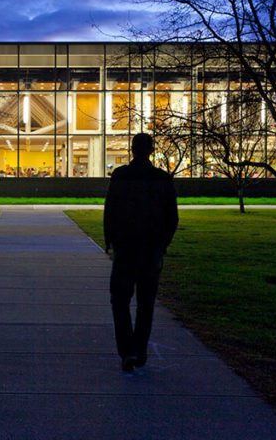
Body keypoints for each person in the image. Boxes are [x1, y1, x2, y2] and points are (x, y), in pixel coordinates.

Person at [103, 133, 178, 372]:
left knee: (120, 300)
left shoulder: (121, 176)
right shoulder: (162, 179)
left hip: (126, 248)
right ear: (151, 150)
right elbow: (172, 217)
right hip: (151, 249)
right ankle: (140, 349)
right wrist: (163, 244)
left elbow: (110, 210)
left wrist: (110, 240)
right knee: (146, 303)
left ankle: (127, 350)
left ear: (132, 149)